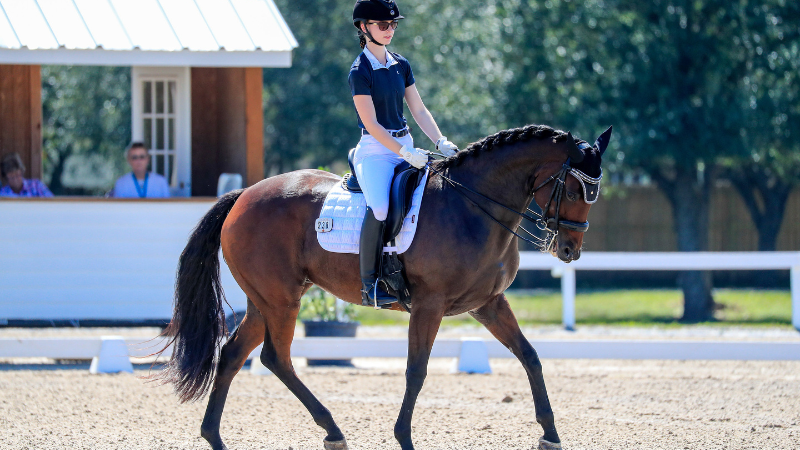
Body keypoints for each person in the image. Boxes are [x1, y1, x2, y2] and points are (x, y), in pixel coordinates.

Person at [350, 0, 459, 307]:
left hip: (406, 144)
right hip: (376, 151)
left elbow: (419, 109)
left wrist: (440, 140)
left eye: (393, 25)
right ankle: (369, 284)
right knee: (382, 208)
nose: (389, 31)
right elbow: (371, 124)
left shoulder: (401, 64)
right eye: (383, 25)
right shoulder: (360, 71)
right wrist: (403, 152)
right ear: (363, 27)